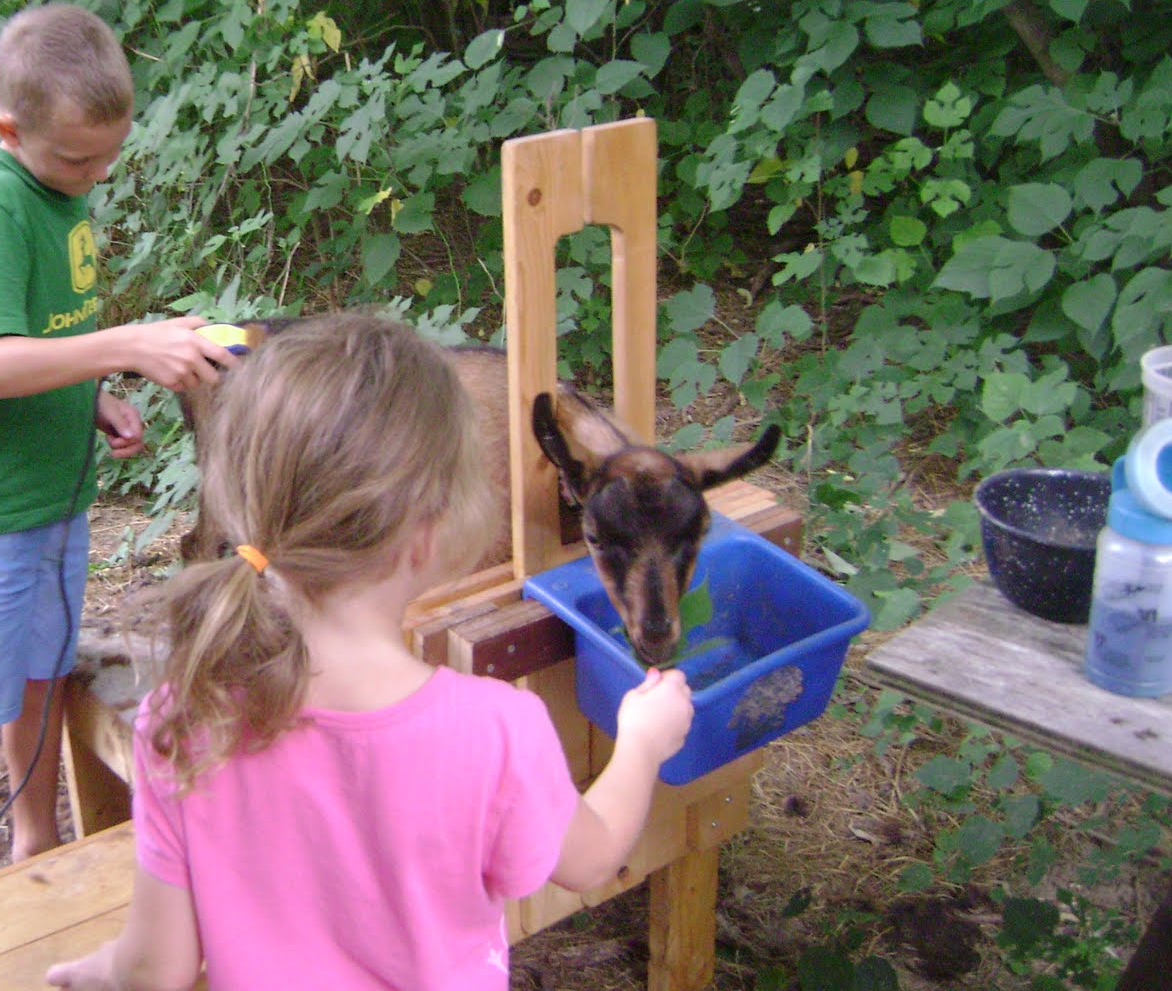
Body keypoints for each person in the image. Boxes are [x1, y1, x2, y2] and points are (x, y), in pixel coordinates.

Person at [44, 314, 695, 991]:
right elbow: (589, 861)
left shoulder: (178, 723)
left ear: (246, 513)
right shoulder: (497, 730)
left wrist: (102, 971)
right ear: (434, 529)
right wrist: (642, 745)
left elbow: (155, 971)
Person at [0, 3, 239, 975]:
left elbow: (42, 338)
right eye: (76, 162)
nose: (94, 179)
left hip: (51, 503)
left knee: (42, 686)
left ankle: (34, 845)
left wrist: (92, 393)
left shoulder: (59, 188)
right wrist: (129, 344)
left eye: (107, 159)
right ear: (11, 133)